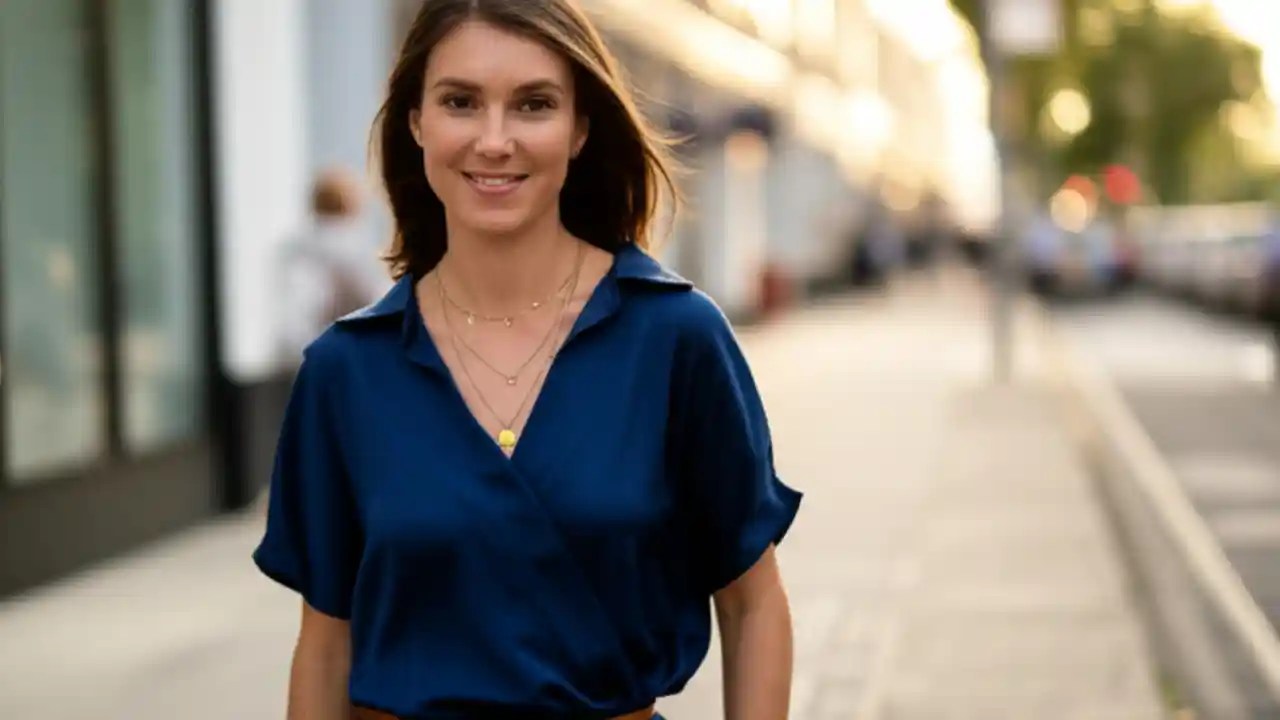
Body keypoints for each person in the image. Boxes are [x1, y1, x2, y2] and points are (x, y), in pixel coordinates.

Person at [251, 1, 804, 719]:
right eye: (460, 102)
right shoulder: (346, 371)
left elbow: (752, 604)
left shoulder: (675, 339)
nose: (494, 140)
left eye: (534, 105)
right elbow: (326, 645)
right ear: (416, 122)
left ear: (580, 128)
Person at [275, 167, 389, 369]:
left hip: (296, 361)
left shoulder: (292, 250)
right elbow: (380, 303)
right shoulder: (354, 249)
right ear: (354, 206)